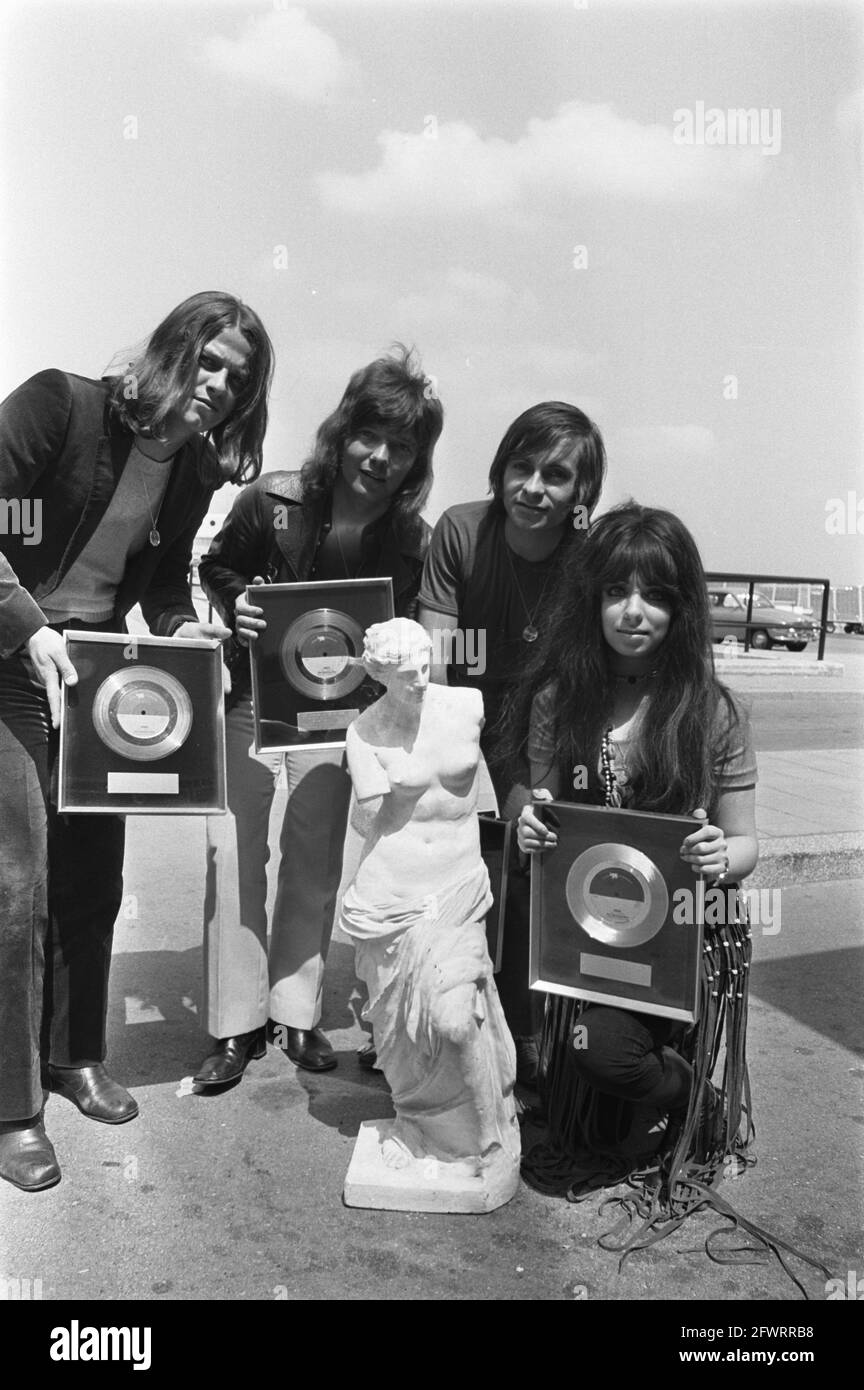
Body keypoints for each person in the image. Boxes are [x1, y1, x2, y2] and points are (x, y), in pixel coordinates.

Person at [0, 290, 274, 1191]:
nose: (220, 386)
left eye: (238, 379)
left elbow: (151, 586)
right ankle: (11, 1106)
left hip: (96, 675)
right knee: (16, 881)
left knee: (94, 879)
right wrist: (23, 621)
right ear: (173, 349)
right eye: (211, 361)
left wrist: (183, 628)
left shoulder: (191, 469)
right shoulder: (60, 405)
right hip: (10, 658)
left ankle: (73, 1056)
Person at [508, 502, 759, 1236]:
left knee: (609, 1065)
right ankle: (655, 1095)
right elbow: (539, 799)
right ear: (591, 601)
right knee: (584, 1078)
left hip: (686, 936)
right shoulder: (558, 697)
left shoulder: (714, 712)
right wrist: (529, 823)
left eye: (655, 595)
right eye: (616, 592)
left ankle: (694, 1099)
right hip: (588, 938)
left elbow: (746, 845)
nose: (633, 612)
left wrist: (721, 858)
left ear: (682, 609)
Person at [194, 347, 442, 1084]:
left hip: (337, 723)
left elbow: (406, 630)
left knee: (312, 862)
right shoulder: (269, 499)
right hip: (248, 702)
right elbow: (219, 568)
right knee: (234, 857)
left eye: (404, 447)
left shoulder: (409, 539)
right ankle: (233, 1026)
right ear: (344, 431)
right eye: (373, 436)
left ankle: (294, 1013)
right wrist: (235, 605)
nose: (383, 457)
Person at [416, 402, 606, 1083]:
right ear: (501, 468)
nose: (534, 487)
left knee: (524, 873)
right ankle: (431, 1029)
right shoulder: (460, 530)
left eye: (556, 476)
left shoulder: (588, 557)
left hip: (536, 733)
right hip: (460, 721)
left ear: (581, 493)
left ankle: (524, 1037)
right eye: (521, 467)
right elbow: (435, 662)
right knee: (444, 873)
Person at [339, 619, 520, 1206]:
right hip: (392, 901)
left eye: (424, 663)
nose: (419, 679)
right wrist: (401, 793)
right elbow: (367, 823)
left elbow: (498, 785)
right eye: (403, 673)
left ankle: (486, 1134)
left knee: (451, 1019)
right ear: (379, 676)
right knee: (399, 1032)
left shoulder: (467, 705)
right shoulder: (364, 732)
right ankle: (419, 1124)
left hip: (456, 893)